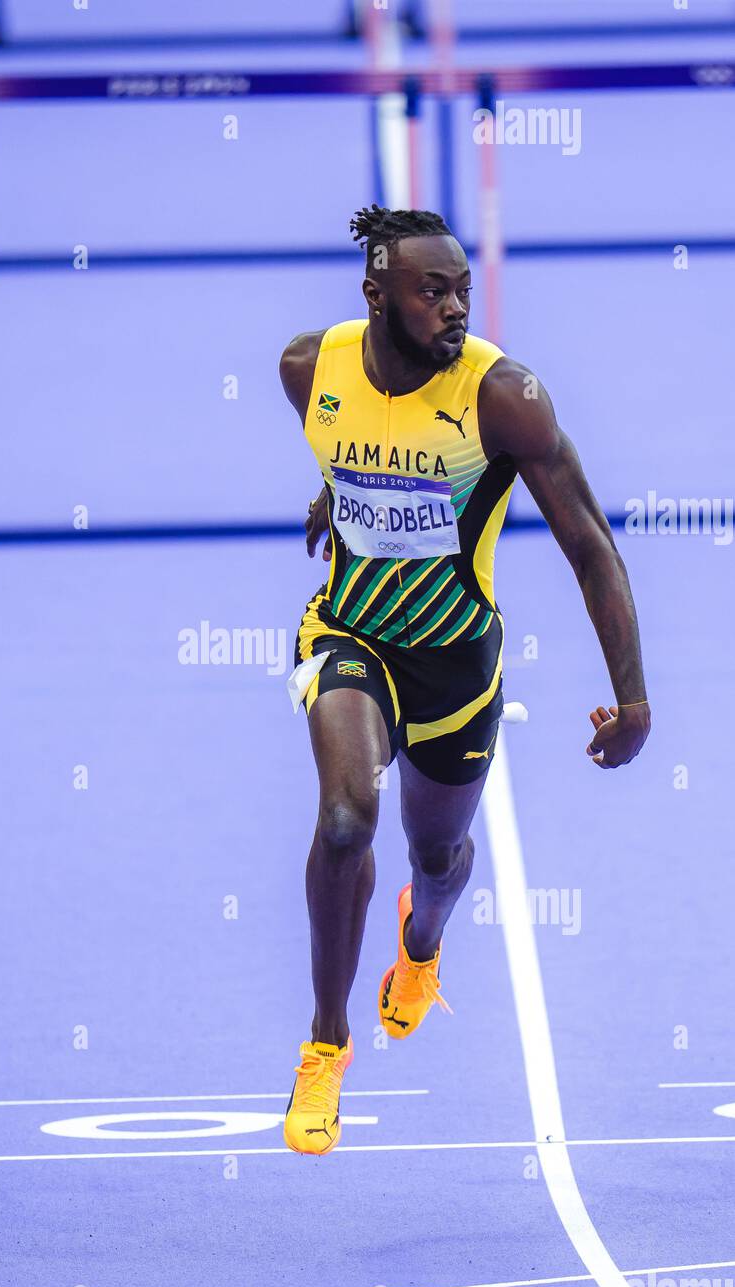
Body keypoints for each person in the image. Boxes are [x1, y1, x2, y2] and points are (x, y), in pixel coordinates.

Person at [278, 206, 651, 1156]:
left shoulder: (503, 398)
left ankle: (421, 947)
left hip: (455, 663)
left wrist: (634, 697)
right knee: (343, 820)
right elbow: (346, 443)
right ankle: (324, 1047)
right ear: (376, 298)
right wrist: (333, 496)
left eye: (460, 291)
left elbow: (590, 547)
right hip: (348, 636)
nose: (452, 307)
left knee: (437, 859)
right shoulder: (307, 368)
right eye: (430, 291)